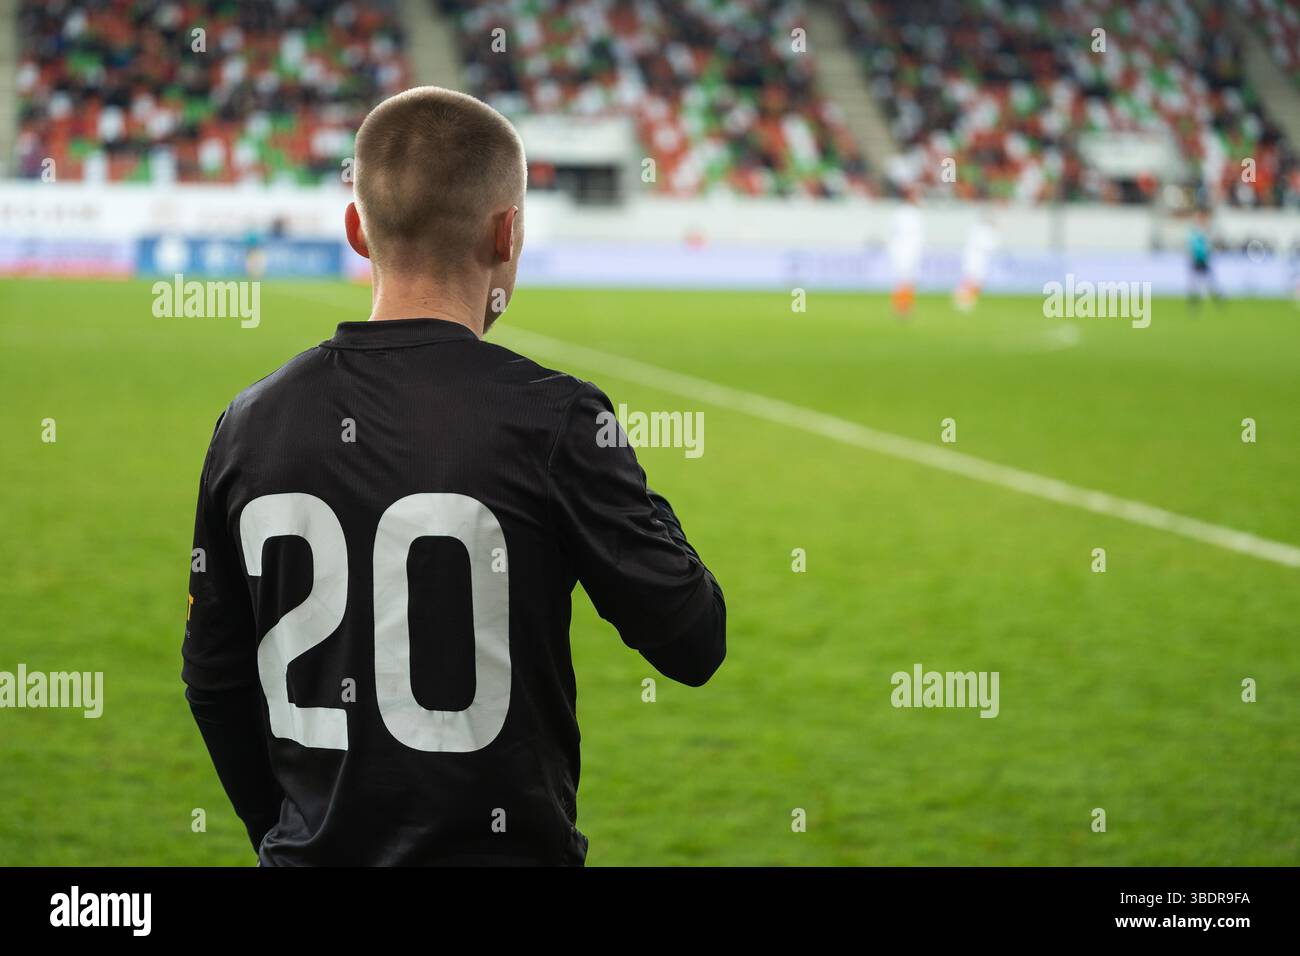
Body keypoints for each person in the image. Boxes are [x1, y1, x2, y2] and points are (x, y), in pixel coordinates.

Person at [182, 87, 727, 866]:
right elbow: (695, 638)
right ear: (507, 233)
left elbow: (213, 678)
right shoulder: (556, 420)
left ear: (355, 231)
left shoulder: (248, 422)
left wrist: (288, 834)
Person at [1187, 209, 1220, 309]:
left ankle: (1212, 296)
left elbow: (1207, 245)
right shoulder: (1195, 232)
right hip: (1197, 258)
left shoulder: (1203, 231)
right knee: (1195, 280)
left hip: (1203, 258)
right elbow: (1193, 245)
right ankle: (1195, 298)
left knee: (1207, 279)